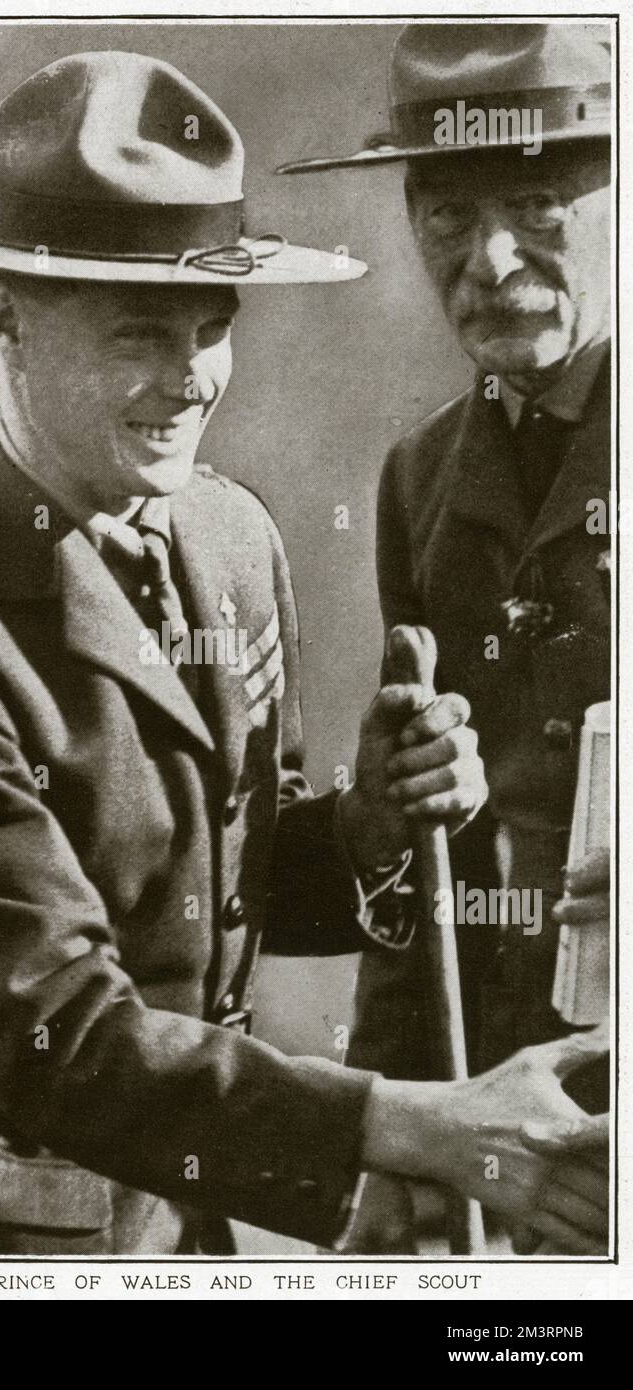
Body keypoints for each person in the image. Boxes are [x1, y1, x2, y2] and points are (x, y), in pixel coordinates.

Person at [0, 49, 606, 1257]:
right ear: (4, 316)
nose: (190, 384)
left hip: (181, 1233)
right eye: (139, 335)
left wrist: (372, 826)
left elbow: (240, 876)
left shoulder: (227, 538)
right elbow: (65, 1036)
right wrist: (411, 1128)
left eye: (212, 326)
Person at [279, 21, 612, 1252]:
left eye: (538, 204)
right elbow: (419, 848)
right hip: (520, 1128)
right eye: (446, 216)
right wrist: (394, 1132)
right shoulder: (420, 478)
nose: (491, 261)